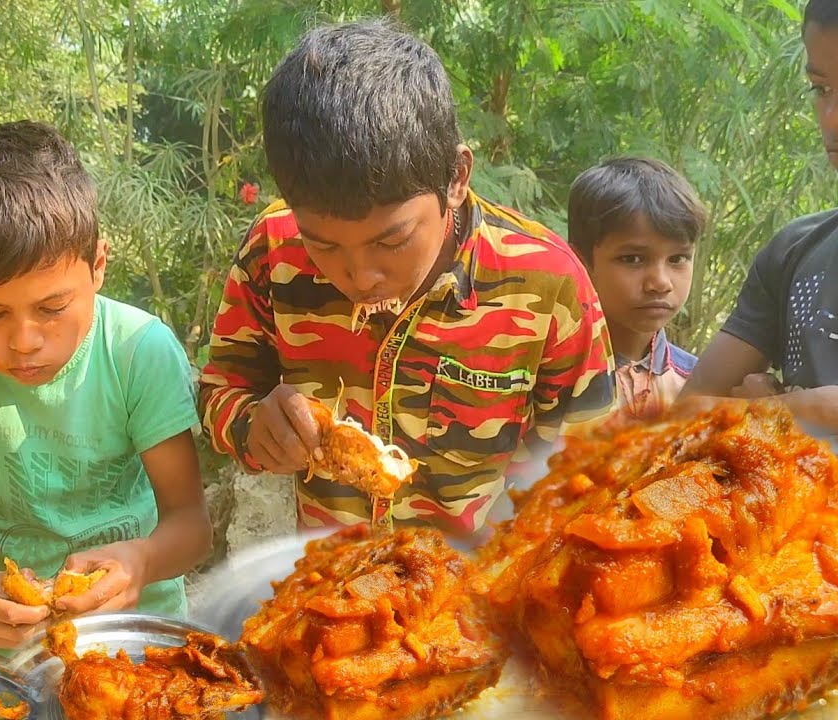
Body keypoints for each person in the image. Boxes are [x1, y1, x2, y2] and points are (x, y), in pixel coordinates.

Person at [199, 20, 615, 537]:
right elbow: (221, 389)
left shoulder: (547, 285)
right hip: (328, 580)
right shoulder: (274, 249)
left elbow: (590, 473)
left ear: (456, 178)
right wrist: (249, 426)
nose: (359, 275)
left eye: (391, 241)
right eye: (323, 245)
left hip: (465, 594)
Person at [0, 121, 212, 649]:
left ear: (98, 266)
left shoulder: (138, 350)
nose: (24, 341)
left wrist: (141, 561)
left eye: (53, 308)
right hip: (15, 655)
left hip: (142, 640)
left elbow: (191, 525)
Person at [682, 0, 838, 437]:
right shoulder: (794, 252)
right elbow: (686, 414)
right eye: (821, 89)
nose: (832, 119)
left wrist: (780, 409)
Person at [567, 157, 706, 425]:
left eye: (677, 259)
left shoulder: (701, 385)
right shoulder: (548, 381)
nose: (661, 282)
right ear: (580, 264)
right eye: (633, 259)